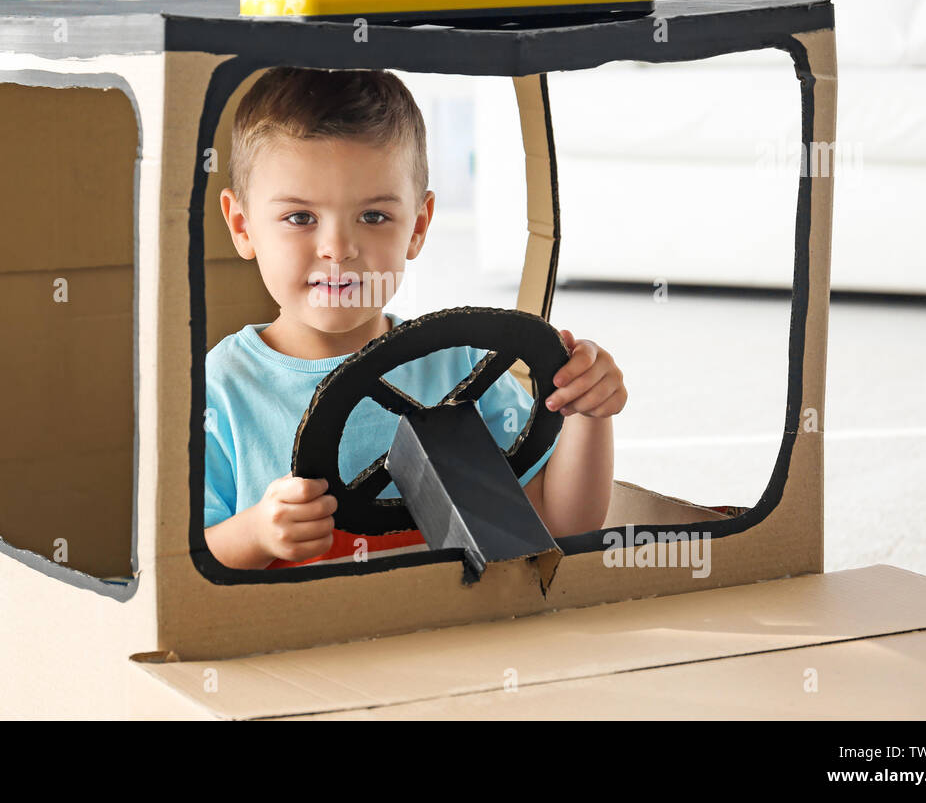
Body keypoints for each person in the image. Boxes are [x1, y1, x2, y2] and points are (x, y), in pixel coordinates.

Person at [203, 67, 627, 570]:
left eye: (374, 216)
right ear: (242, 226)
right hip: (298, 643)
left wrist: (587, 412)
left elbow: (559, 526)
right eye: (300, 218)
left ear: (418, 226)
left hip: (449, 635)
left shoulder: (462, 370)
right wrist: (254, 533)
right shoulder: (220, 389)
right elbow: (186, 561)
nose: (338, 249)